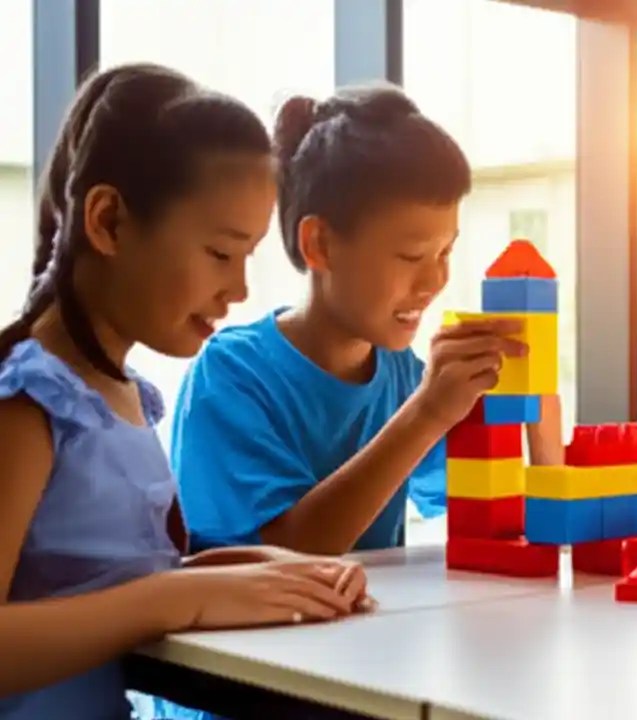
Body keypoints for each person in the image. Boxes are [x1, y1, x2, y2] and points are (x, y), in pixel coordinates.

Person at [0, 64, 369, 720]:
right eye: (221, 254)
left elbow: (83, 589)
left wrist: (237, 572)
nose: (239, 290)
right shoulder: (29, 405)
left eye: (249, 258)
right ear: (109, 222)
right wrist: (178, 598)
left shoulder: (122, 396)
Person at [169, 84, 526, 557]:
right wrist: (427, 413)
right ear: (320, 245)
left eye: (446, 252)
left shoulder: (402, 374)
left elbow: (493, 502)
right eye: (412, 255)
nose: (434, 280)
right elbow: (290, 553)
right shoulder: (231, 375)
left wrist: (503, 397)